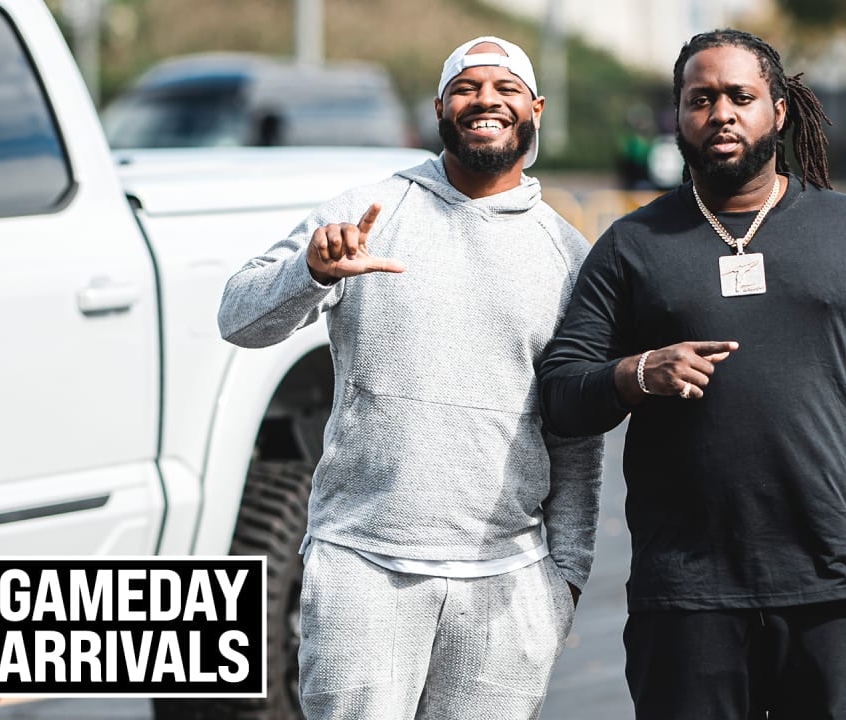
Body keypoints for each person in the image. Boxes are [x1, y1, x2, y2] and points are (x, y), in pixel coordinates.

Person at [538, 29, 846, 719]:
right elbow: (560, 394)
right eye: (700, 99)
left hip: (833, 585)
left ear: (779, 110)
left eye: (741, 96)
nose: (721, 113)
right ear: (677, 116)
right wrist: (640, 372)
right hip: (686, 597)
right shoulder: (633, 246)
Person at [218, 36, 602, 720]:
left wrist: (565, 576)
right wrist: (309, 273)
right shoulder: (368, 212)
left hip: (507, 583)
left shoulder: (568, 255)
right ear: (440, 108)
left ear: (536, 109)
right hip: (363, 567)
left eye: (506, 88)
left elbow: (575, 432)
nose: (486, 100)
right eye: (467, 87)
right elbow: (239, 318)